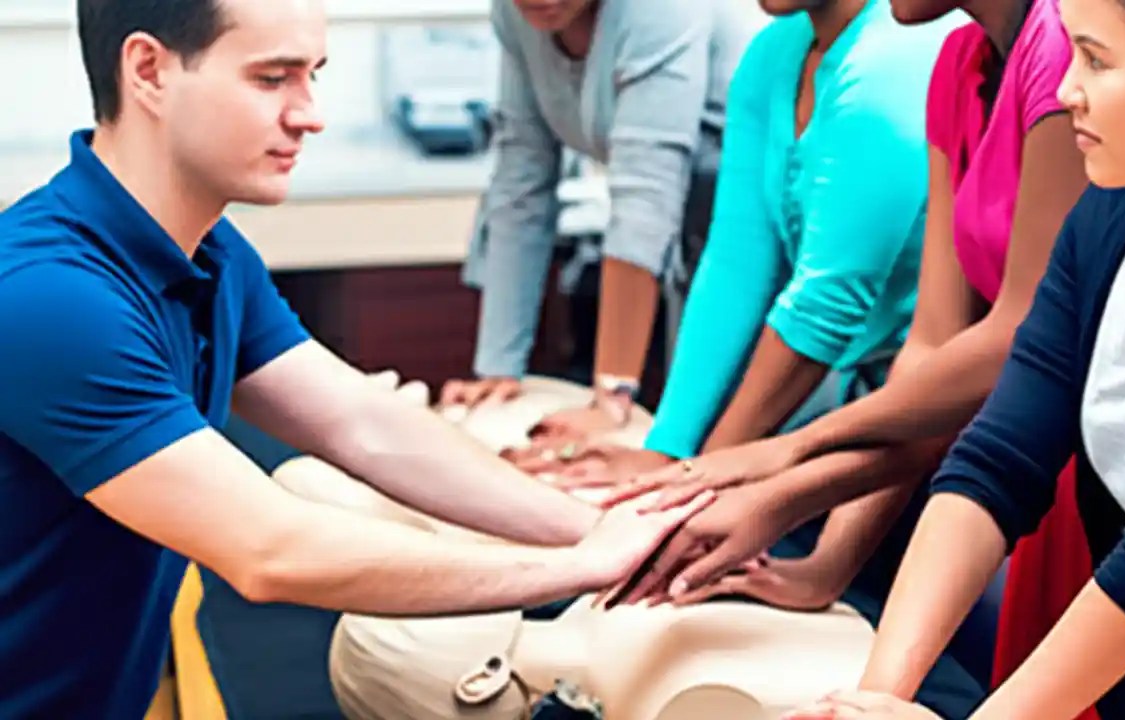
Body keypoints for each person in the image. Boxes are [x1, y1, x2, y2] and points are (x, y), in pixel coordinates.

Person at [0, 2, 715, 717]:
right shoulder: (51, 297)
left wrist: (605, 528)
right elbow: (270, 550)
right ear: (149, 71)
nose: (310, 114)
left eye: (312, 75)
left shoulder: (212, 254)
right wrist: (578, 566)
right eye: (272, 78)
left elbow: (360, 422)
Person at [783, 0, 1125, 716]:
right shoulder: (1113, 214)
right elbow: (998, 460)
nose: (1066, 88)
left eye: (1097, 59)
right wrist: (873, 699)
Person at [608, 0, 1088, 653]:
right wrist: (824, 565)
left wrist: (785, 464)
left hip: (1084, 465)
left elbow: (1019, 343)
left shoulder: (1060, 53)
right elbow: (934, 345)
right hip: (1002, 441)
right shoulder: (958, 65)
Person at [510, 0, 959, 498]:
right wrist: (670, 448)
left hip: (945, 411)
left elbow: (827, 301)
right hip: (860, 396)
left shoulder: (893, 59)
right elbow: (737, 260)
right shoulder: (776, 50)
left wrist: (700, 475)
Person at [439, 0, 762, 443]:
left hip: (756, 231)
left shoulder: (660, 10)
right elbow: (521, 179)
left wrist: (612, 393)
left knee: (728, 437)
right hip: (685, 228)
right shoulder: (517, 14)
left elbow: (643, 196)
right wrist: (499, 367)